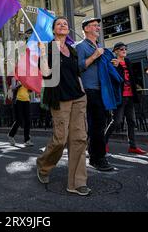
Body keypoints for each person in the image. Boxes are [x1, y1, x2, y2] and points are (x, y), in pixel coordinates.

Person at [36, 16, 90, 196]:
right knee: (60, 139)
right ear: (53, 30)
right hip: (59, 99)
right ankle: (43, 166)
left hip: (78, 98)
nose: (63, 25)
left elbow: (77, 74)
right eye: (59, 23)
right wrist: (43, 53)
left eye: (65, 23)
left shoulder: (72, 51)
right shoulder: (49, 48)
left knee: (79, 139)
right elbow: (46, 73)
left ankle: (77, 183)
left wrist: (82, 90)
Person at [76, 18, 114, 171]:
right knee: (97, 124)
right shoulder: (81, 46)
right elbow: (78, 67)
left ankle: (95, 152)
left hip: (102, 90)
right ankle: (97, 158)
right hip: (90, 90)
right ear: (85, 29)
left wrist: (113, 63)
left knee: (102, 122)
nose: (98, 27)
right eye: (94, 25)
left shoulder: (98, 46)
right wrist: (94, 56)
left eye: (98, 25)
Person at [104, 42, 147, 155]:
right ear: (116, 51)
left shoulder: (127, 61)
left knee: (132, 121)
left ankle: (133, 146)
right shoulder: (112, 62)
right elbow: (114, 79)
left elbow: (131, 78)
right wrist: (117, 66)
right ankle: (103, 143)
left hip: (130, 96)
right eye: (121, 49)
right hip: (120, 96)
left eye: (125, 48)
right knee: (116, 121)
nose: (124, 50)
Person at [7, 79, 33, 146]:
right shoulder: (15, 78)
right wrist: (19, 85)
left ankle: (27, 140)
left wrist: (29, 86)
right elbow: (12, 89)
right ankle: (11, 135)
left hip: (27, 100)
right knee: (19, 120)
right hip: (18, 101)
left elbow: (30, 91)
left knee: (27, 120)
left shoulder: (27, 78)